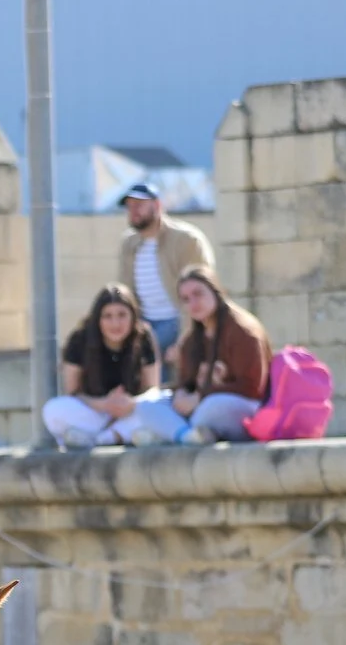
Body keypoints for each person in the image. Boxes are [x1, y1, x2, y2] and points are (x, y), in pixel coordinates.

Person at [42, 284, 187, 449]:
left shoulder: (144, 336)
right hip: (95, 411)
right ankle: (118, 436)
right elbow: (74, 393)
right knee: (53, 409)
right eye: (108, 316)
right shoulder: (80, 339)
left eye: (122, 315)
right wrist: (104, 404)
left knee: (163, 400)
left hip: (131, 410)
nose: (115, 323)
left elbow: (152, 389)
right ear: (98, 319)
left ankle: (105, 438)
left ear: (133, 316)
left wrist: (129, 403)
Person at [114, 181, 217, 372]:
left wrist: (185, 339)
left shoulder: (186, 239)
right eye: (129, 206)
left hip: (177, 319)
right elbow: (124, 292)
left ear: (157, 205)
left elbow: (203, 289)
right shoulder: (128, 244)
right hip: (143, 323)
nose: (133, 211)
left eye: (139, 205)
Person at [170, 265, 272, 444]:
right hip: (199, 406)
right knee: (148, 404)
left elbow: (252, 388)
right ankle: (190, 434)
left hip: (244, 408)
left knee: (213, 406)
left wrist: (201, 397)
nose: (193, 303)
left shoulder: (243, 331)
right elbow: (186, 383)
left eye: (198, 294)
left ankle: (179, 433)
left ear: (216, 291)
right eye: (186, 299)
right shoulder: (190, 341)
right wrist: (180, 394)